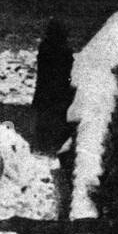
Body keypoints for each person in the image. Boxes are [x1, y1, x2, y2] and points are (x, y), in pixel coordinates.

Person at [31, 18, 74, 153]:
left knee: (45, 119)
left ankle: (43, 145)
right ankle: (54, 146)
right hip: (60, 90)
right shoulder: (65, 50)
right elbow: (68, 70)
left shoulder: (44, 47)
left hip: (45, 89)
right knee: (58, 119)